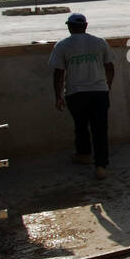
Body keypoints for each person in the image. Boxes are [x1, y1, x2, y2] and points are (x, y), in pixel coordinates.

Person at [49, 13, 115, 179]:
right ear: (85, 26)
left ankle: (84, 155)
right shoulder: (100, 42)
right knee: (100, 129)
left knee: (80, 126)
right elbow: (110, 67)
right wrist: (108, 87)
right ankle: (101, 166)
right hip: (99, 92)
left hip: (76, 94)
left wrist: (58, 96)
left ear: (70, 27)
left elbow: (58, 73)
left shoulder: (62, 46)